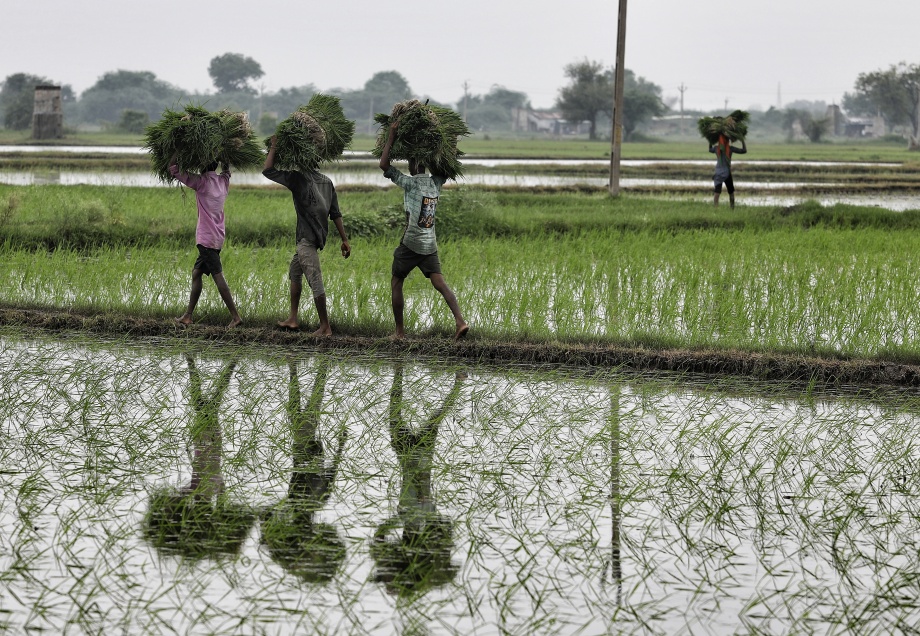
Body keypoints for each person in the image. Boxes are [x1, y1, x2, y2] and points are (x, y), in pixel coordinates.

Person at [378, 121, 469, 341]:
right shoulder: (435, 183)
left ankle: (399, 332)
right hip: (430, 244)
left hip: (411, 242)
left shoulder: (409, 183)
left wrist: (391, 134)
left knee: (396, 281)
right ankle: (460, 321)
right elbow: (448, 165)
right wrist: (452, 141)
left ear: (411, 166)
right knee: (439, 283)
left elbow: (383, 164)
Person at [263, 136, 351, 336]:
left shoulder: (299, 178)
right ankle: (293, 319)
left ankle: (325, 326)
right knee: (295, 271)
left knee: (315, 279)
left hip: (307, 241)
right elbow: (335, 213)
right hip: (316, 238)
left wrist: (275, 146)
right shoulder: (327, 182)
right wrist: (344, 239)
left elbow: (267, 170)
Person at [170, 155, 242, 328]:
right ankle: (188, 316)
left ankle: (235, 317)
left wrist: (176, 150)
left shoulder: (202, 182)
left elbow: (174, 169)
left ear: (202, 166)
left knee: (218, 276)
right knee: (196, 273)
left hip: (206, 239)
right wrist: (225, 158)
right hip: (217, 237)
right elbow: (226, 172)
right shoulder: (222, 182)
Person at [709, 134, 747, 208]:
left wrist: (711, 140)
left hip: (718, 173)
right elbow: (744, 150)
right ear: (728, 141)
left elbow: (710, 149)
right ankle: (732, 209)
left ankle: (715, 209)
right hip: (727, 173)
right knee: (731, 192)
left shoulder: (717, 148)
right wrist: (742, 140)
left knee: (717, 192)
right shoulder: (730, 149)